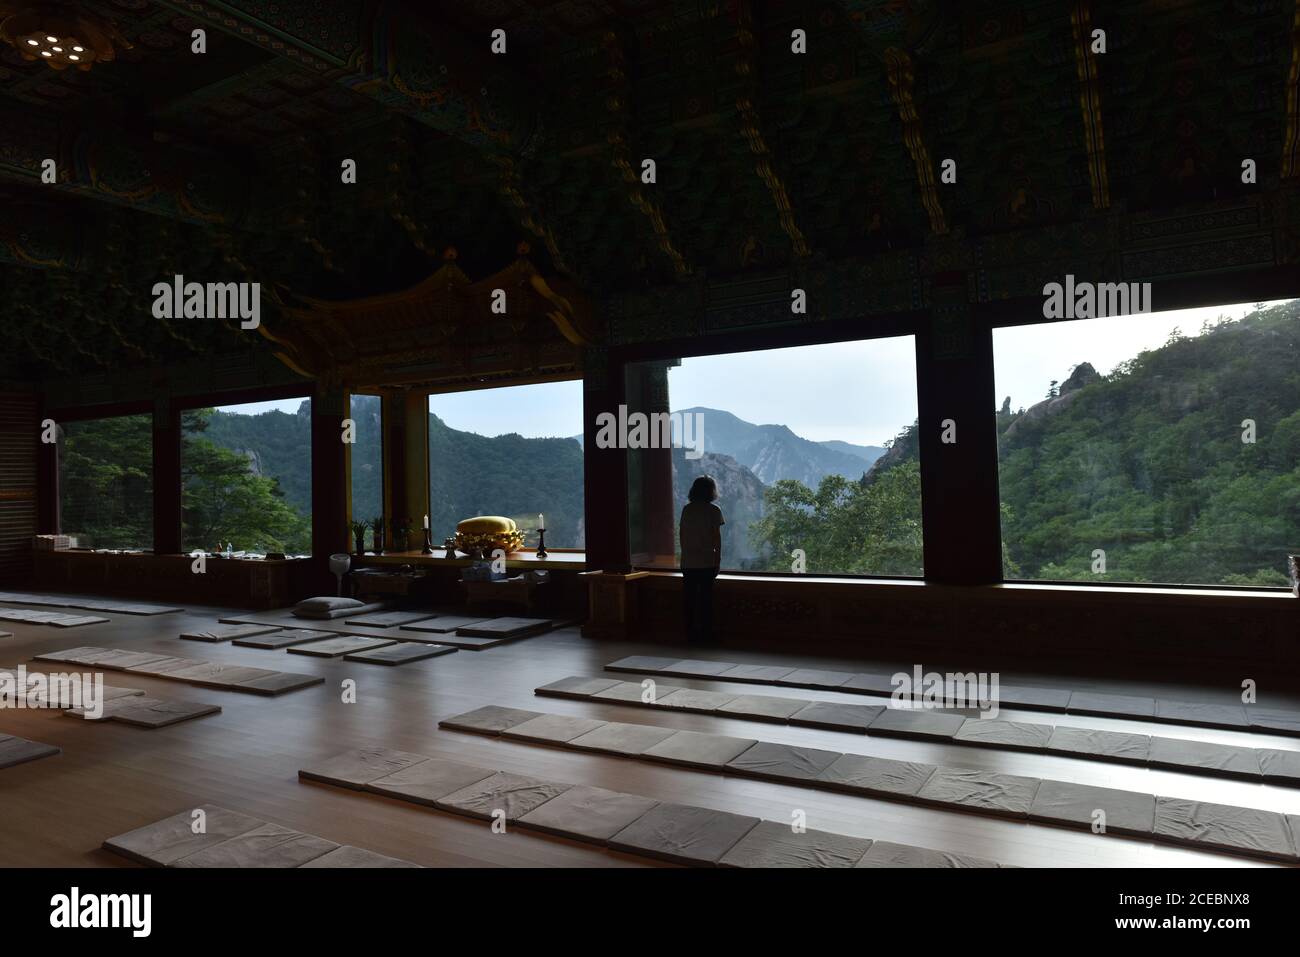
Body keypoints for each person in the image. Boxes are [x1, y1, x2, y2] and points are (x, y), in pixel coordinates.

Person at [679, 475, 723, 644]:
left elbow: (682, 535)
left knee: (689, 600)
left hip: (688, 562)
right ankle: (706, 635)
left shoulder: (687, 509)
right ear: (711, 491)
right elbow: (717, 539)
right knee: (706, 601)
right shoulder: (714, 510)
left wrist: (685, 554)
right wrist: (717, 561)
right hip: (706, 562)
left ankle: (689, 634)